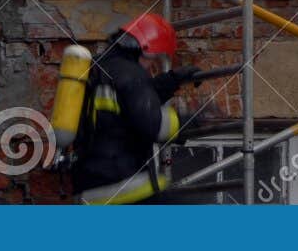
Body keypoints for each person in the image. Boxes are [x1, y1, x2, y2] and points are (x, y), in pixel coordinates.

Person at [71, 13, 211, 205]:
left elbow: (128, 105)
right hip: (123, 184)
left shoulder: (100, 67)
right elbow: (152, 124)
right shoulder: (131, 73)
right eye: (154, 59)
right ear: (146, 50)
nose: (151, 65)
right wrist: (193, 120)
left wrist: (172, 80)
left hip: (89, 187)